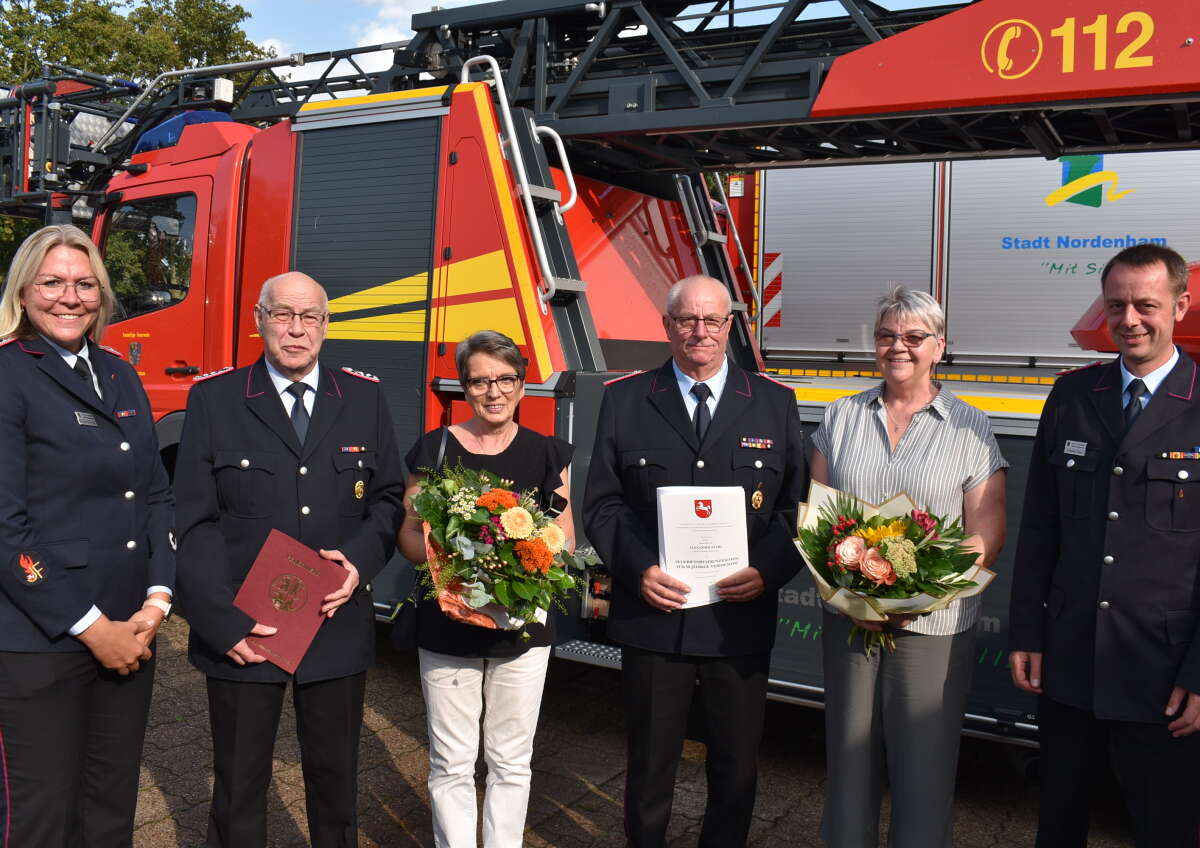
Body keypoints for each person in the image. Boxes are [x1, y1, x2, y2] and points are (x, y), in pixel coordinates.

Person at [173, 271, 405, 848]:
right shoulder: (214, 400)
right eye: (282, 315)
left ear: (327, 326)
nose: (295, 330)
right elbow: (191, 522)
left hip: (333, 623)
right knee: (239, 786)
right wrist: (220, 622)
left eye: (309, 318)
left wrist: (358, 563)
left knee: (335, 786)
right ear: (259, 319)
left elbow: (389, 499)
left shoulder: (365, 398)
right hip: (247, 629)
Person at [583, 275, 807, 848]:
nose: (700, 331)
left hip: (740, 619)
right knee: (649, 770)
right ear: (667, 326)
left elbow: (797, 509)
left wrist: (769, 571)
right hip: (656, 618)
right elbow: (603, 506)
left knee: (735, 771)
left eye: (712, 320)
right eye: (687, 320)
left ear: (730, 327)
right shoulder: (626, 398)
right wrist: (638, 570)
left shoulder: (775, 403)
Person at [1009, 244, 1200, 847]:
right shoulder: (1072, 396)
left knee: (1166, 826)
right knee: (1058, 823)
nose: (1130, 319)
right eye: (1116, 305)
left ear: (1181, 305)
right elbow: (1040, 526)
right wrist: (1027, 634)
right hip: (1069, 661)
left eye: (1146, 305)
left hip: (1161, 670)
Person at [810, 287, 1007, 848]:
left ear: (939, 346)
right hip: (850, 620)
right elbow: (818, 519)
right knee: (847, 766)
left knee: (923, 771)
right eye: (886, 336)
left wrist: (912, 598)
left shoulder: (969, 426)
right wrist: (858, 598)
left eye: (914, 337)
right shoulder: (841, 416)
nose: (899, 347)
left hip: (934, 628)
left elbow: (986, 533)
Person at [0, 224, 174, 845]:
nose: (68, 298)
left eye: (83, 284)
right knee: (41, 817)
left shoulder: (118, 372)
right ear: (23, 291)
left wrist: (157, 600)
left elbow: (153, 492)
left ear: (101, 295)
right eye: (52, 283)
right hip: (43, 637)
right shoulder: (9, 374)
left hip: (130, 632)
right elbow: (5, 527)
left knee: (109, 810)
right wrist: (91, 627)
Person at [397, 329, 574, 848]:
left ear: (522, 385)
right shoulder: (434, 448)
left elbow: (564, 536)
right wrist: (447, 563)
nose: (493, 391)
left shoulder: (547, 453)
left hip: (520, 630)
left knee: (510, 760)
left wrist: (517, 562)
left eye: (505, 379)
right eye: (479, 381)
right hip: (449, 623)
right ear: (464, 387)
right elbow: (409, 534)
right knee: (450, 760)